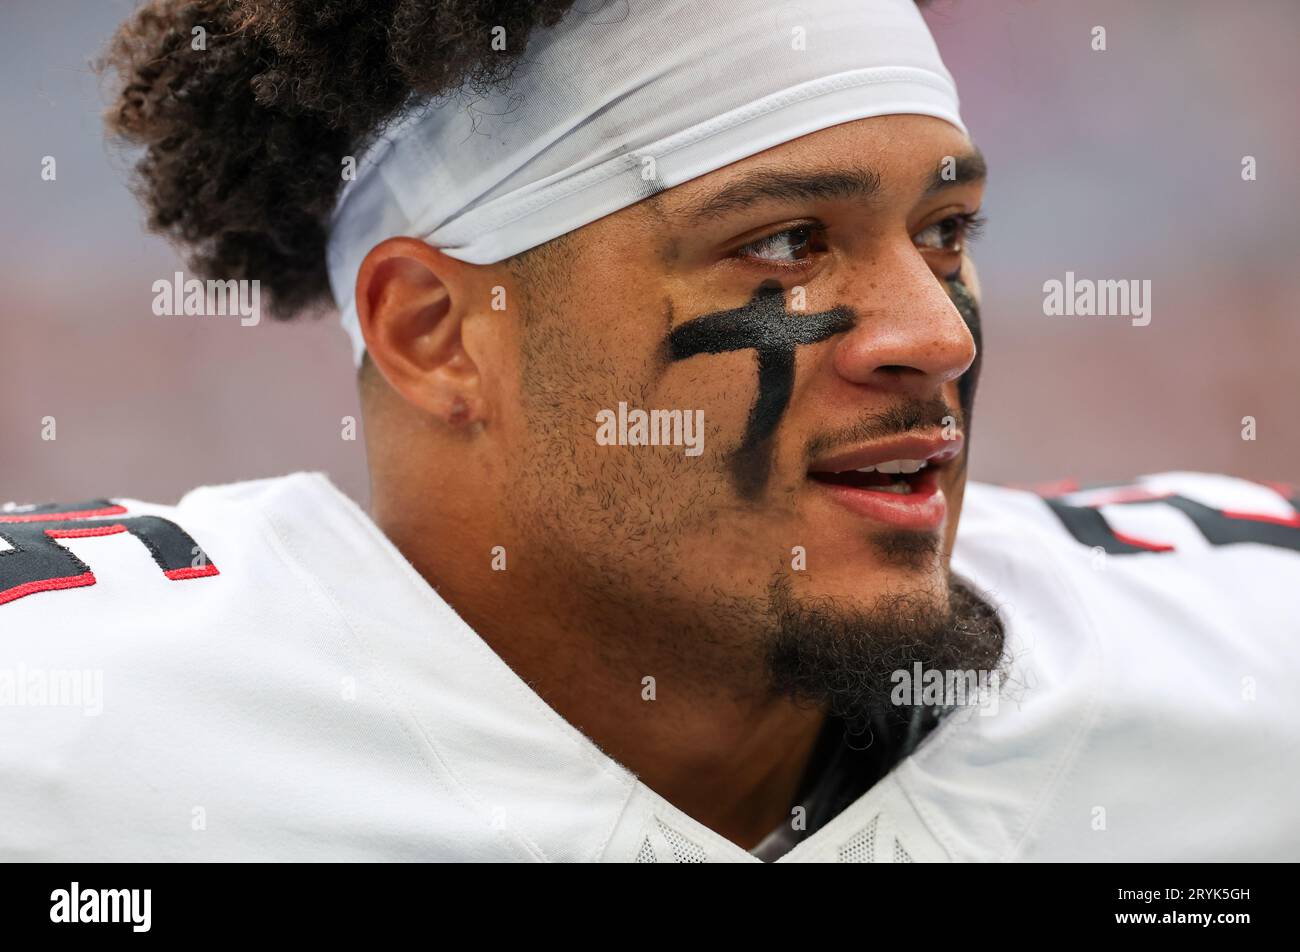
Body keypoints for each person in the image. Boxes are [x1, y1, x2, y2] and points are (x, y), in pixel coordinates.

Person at [1, 0, 1296, 862]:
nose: (937, 335)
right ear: (435, 331)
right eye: (785, 244)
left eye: (946, 231)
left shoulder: (1242, 671)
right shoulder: (69, 744)